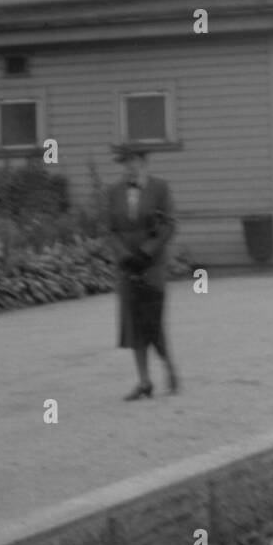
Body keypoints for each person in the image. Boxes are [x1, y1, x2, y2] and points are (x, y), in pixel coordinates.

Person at [108, 146, 177, 400]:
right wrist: (125, 256)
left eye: (134, 161)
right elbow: (109, 230)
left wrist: (147, 252)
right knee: (133, 323)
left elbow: (169, 225)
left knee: (153, 321)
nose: (130, 167)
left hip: (152, 265)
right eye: (125, 163)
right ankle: (144, 381)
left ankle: (168, 367)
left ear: (144, 162)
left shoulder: (160, 188)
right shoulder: (113, 192)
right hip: (127, 267)